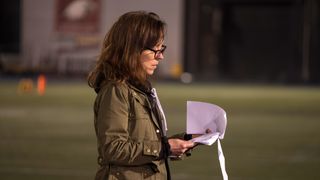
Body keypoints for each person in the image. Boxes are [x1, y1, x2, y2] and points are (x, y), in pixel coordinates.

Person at [87, 11, 197, 180]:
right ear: (133, 49)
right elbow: (113, 149)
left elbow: (146, 143)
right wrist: (164, 148)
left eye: (162, 49)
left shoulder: (139, 89)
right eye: (155, 49)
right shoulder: (116, 91)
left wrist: (187, 139)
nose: (160, 56)